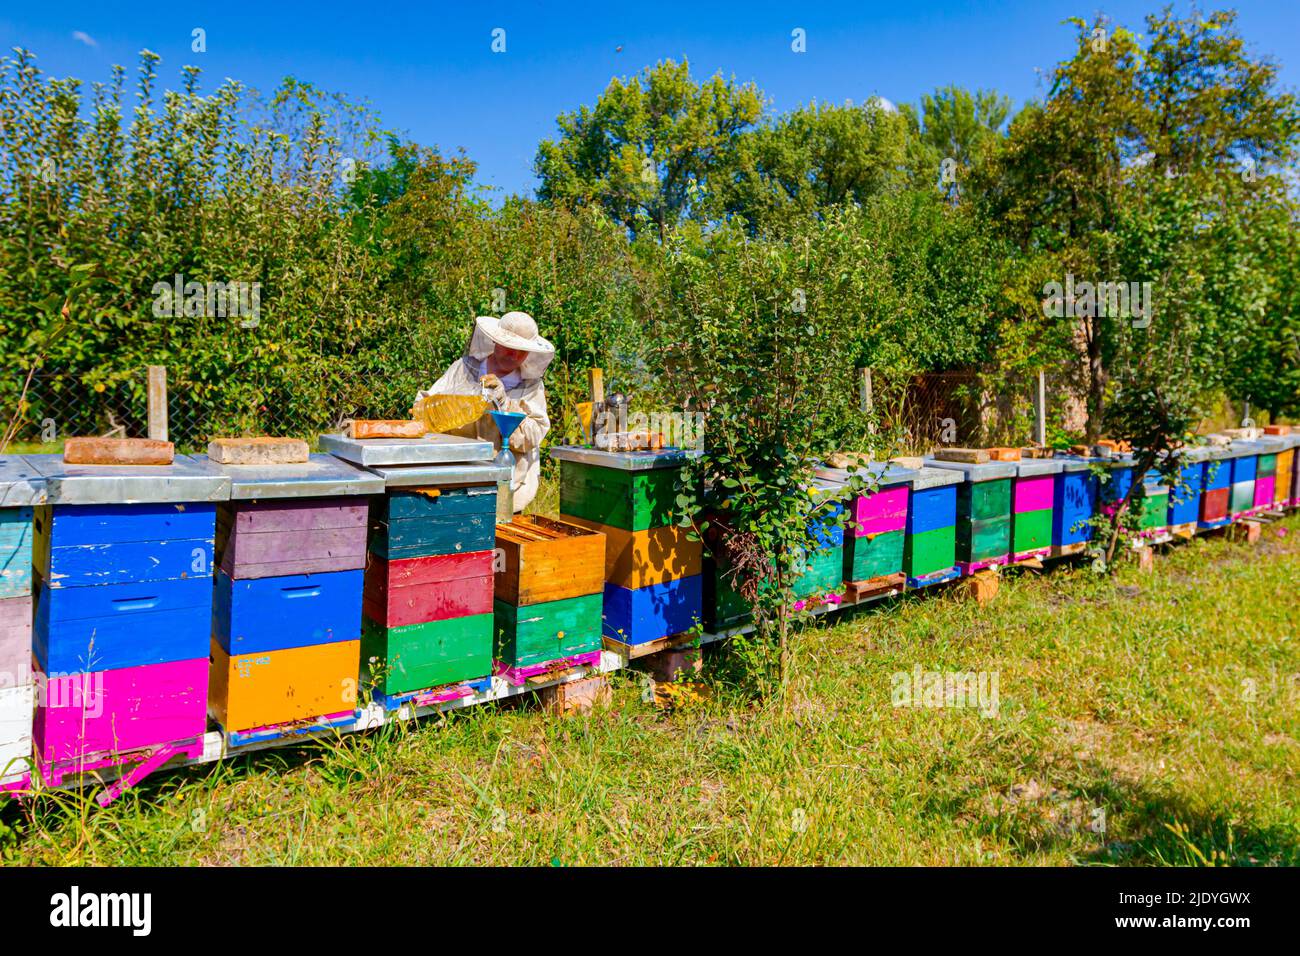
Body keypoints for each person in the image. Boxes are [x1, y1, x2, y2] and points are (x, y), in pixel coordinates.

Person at [414, 311, 553, 512]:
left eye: (521, 351)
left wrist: (505, 403)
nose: (513, 355)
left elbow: (532, 436)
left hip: (506, 491)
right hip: (454, 480)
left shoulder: (532, 387)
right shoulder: (463, 369)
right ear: (495, 342)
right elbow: (425, 409)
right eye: (509, 347)